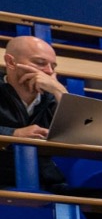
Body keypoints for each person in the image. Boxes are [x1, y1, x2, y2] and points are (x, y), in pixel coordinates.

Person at [1, 35, 66, 189]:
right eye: (40, 63)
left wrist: (60, 91)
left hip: (47, 183)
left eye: (53, 66)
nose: (49, 72)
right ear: (10, 62)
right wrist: (14, 134)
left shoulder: (53, 99)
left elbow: (84, 136)